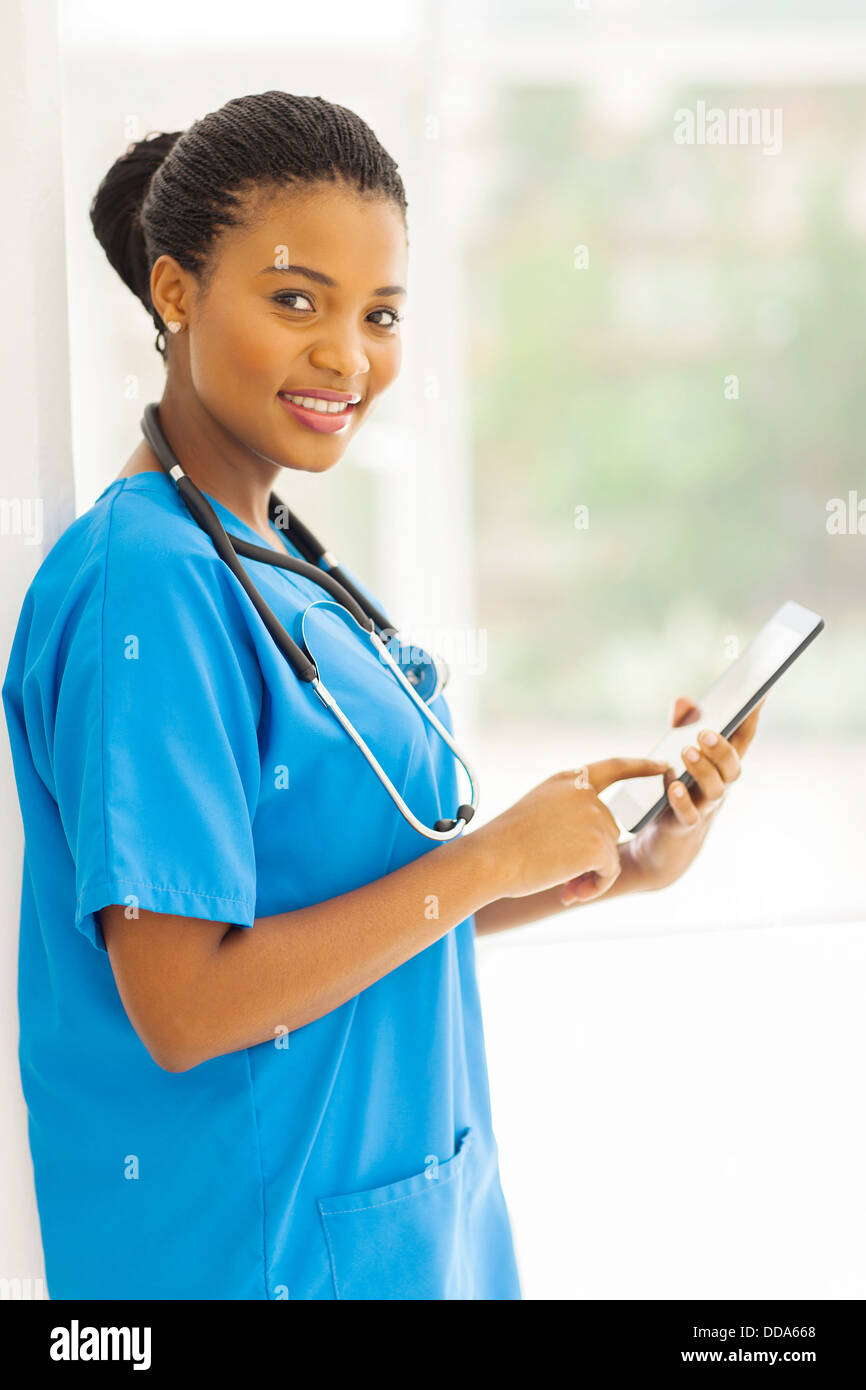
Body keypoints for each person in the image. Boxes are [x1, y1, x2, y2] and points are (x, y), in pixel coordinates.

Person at [1, 90, 762, 1301]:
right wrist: (483, 857)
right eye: (295, 301)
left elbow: (340, 910)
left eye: (381, 314)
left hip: (398, 1227)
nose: (347, 356)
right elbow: (185, 1001)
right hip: (248, 1256)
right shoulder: (142, 582)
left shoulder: (273, 557)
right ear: (176, 292)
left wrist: (602, 865)